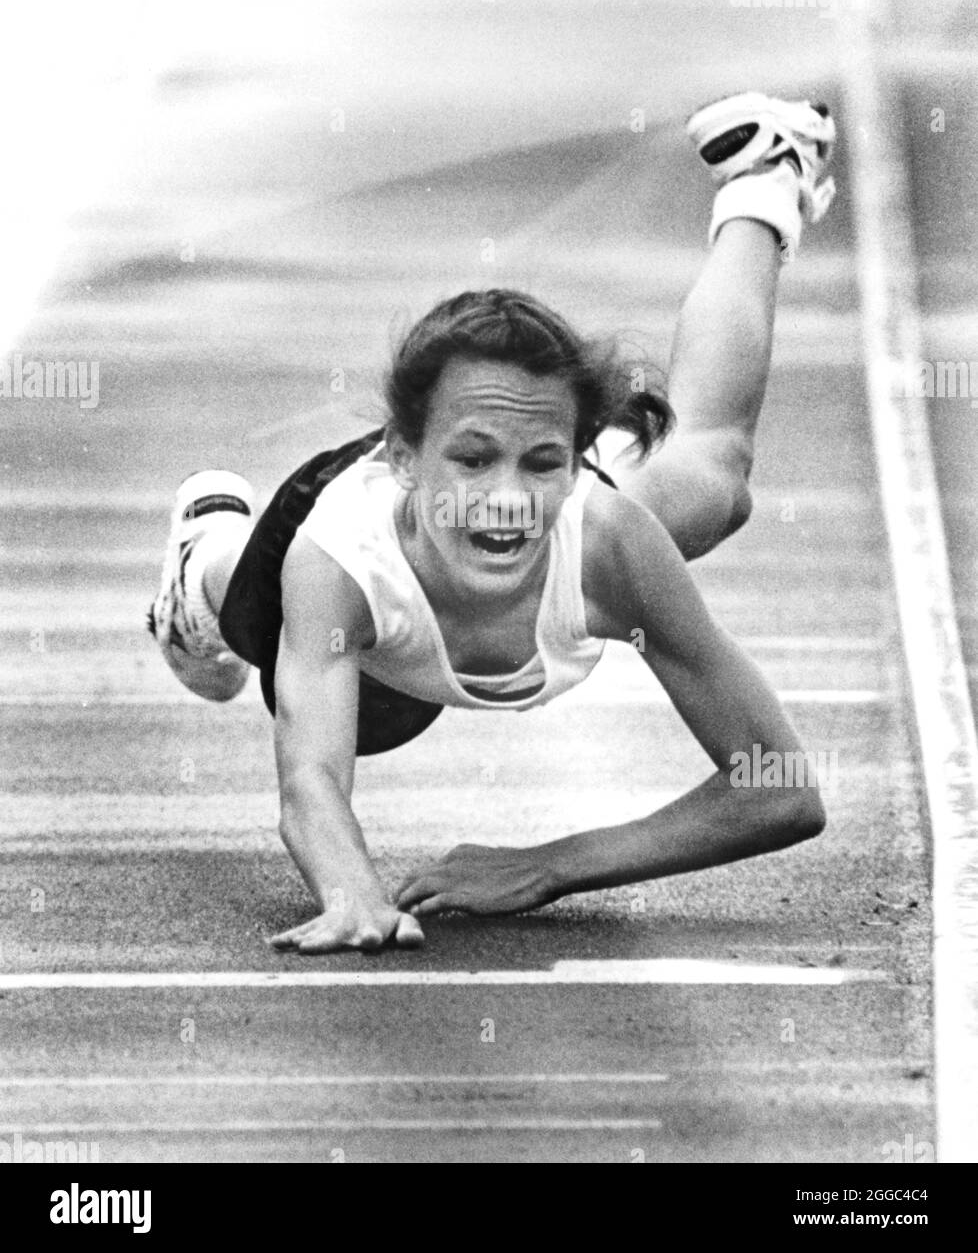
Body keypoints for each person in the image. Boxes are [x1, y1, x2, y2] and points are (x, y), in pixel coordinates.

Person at [148, 91, 837, 954]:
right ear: (404, 455)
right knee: (356, 704)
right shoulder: (339, 557)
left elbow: (779, 790)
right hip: (350, 544)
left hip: (514, 487)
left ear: (583, 456)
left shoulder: (612, 544)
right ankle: (206, 550)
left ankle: (766, 181)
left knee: (715, 482)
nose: (508, 498)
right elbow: (311, 780)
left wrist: (552, 864)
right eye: (472, 461)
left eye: (544, 464)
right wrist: (353, 892)